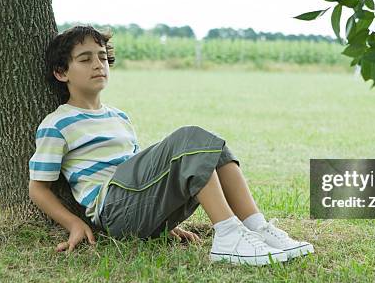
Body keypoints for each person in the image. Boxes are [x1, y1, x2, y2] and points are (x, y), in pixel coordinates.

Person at [28, 25, 314, 266]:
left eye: (102, 57)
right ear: (61, 73)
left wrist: (163, 221)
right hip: (114, 209)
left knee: (214, 149)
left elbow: (144, 179)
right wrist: (74, 224)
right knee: (190, 138)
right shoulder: (58, 123)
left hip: (136, 205)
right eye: (85, 59)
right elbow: (38, 188)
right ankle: (228, 235)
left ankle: (257, 228)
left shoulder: (119, 117)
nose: (97, 64)